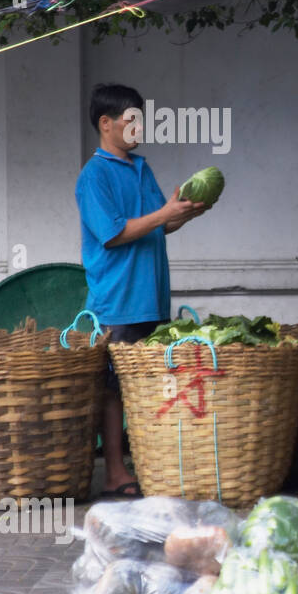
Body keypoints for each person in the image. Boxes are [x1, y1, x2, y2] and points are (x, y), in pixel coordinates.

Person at [76, 84, 209, 498]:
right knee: (114, 391)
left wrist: (183, 214)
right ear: (106, 123)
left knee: (151, 386)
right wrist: (163, 214)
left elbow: (160, 223)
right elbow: (113, 234)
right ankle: (115, 471)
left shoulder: (140, 167)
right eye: (131, 120)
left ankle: (151, 465)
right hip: (117, 302)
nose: (140, 127)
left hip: (151, 296)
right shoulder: (93, 176)